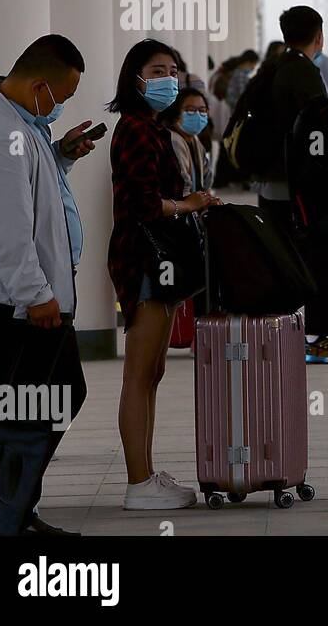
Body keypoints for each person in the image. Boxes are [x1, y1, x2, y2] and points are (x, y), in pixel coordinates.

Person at [0, 35, 97, 536]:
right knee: (39, 402)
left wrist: (60, 155)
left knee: (28, 405)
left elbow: (33, 195)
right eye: (60, 97)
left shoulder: (17, 122)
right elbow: (7, 226)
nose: (61, 106)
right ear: (40, 84)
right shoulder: (3, 134)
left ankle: (9, 510)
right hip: (18, 309)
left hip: (24, 302)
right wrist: (35, 294)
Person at [107, 39, 220, 510]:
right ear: (135, 78)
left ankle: (146, 472)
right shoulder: (135, 129)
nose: (167, 79)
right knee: (139, 371)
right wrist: (188, 204)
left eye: (173, 70)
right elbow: (142, 202)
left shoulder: (152, 127)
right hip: (146, 259)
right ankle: (138, 482)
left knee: (152, 371)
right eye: (157, 70)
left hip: (159, 260)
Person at [256, 6, 328, 364]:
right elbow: (315, 135)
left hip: (271, 184)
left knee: (283, 259)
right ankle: (316, 338)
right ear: (319, 36)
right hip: (299, 189)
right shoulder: (305, 73)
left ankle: (286, 334)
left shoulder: (273, 68)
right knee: (321, 258)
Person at [160, 87, 214, 195]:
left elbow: (206, 180)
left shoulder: (195, 140)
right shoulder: (173, 141)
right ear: (176, 113)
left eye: (202, 110)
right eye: (190, 110)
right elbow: (182, 188)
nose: (197, 115)